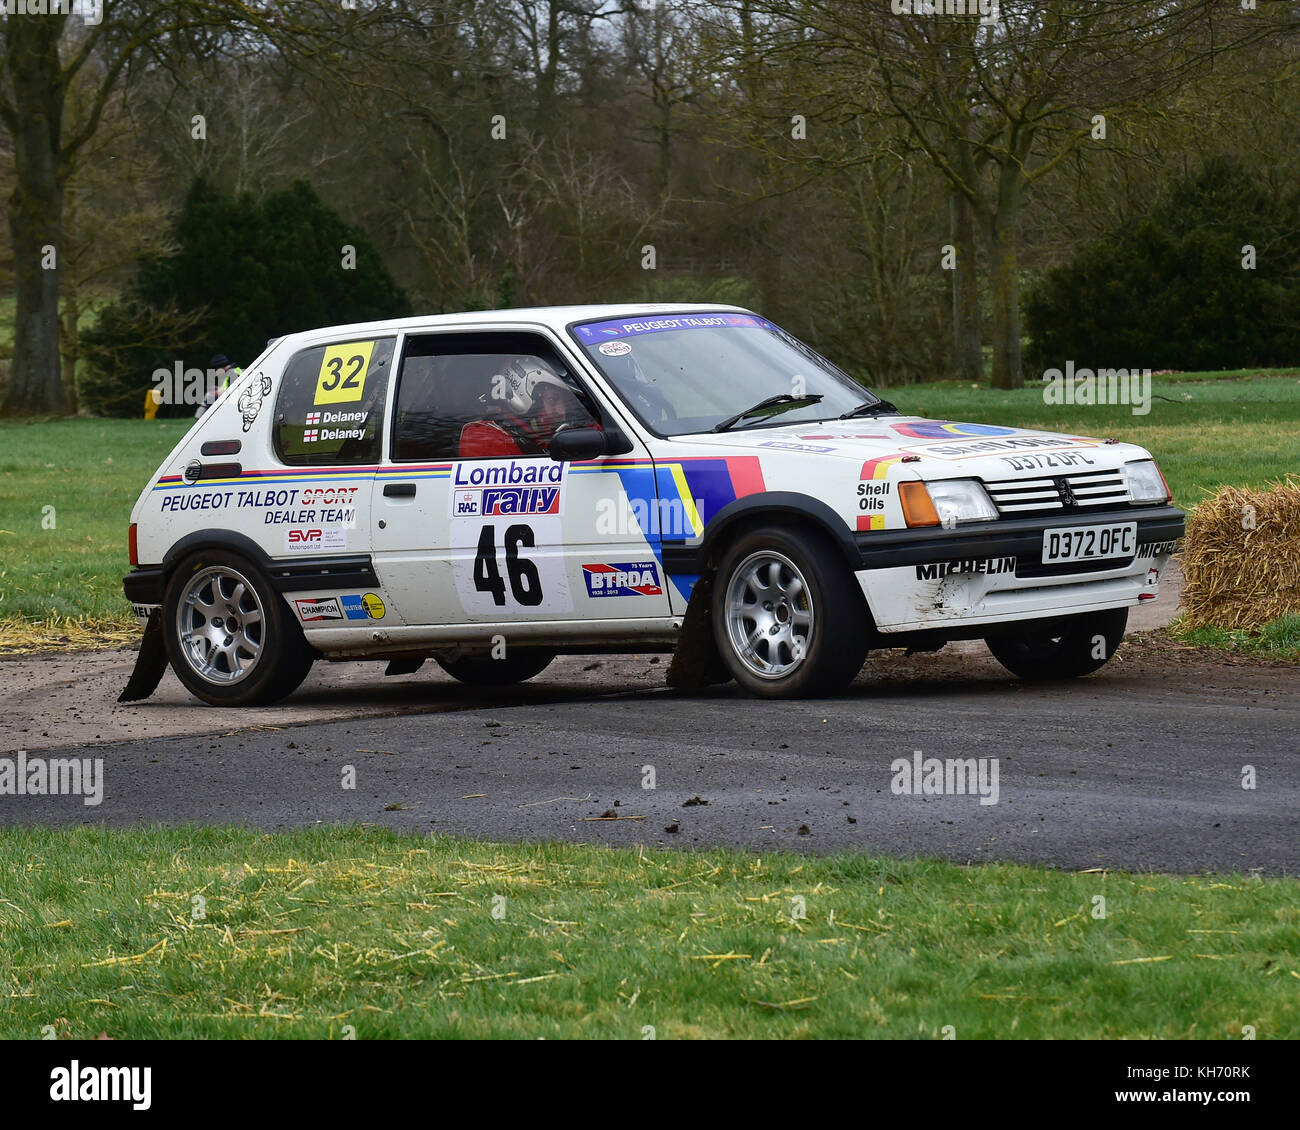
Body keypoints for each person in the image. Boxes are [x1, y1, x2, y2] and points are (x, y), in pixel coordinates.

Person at [458, 358, 596, 457]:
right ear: (525, 399)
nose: (562, 411)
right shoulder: (485, 438)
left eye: (567, 403)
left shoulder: (551, 431)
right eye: (553, 400)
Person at [196, 353, 241, 419]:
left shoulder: (232, 373)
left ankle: (200, 420)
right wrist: (217, 389)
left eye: (215, 369)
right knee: (210, 395)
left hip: (234, 405)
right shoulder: (233, 371)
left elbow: (234, 392)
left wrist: (217, 393)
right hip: (232, 403)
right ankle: (200, 419)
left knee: (209, 396)